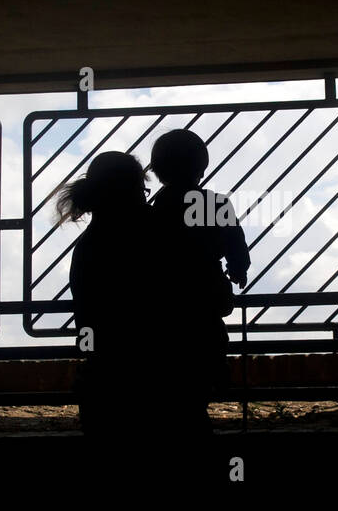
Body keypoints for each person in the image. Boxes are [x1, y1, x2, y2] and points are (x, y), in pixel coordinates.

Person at [147, 129, 252, 434]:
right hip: (207, 300)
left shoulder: (153, 211)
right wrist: (237, 270)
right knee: (205, 365)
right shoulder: (216, 205)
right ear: (201, 169)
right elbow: (236, 245)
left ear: (157, 170)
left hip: (165, 307)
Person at [58, 151, 156, 437]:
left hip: (105, 376)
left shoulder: (89, 247)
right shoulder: (157, 234)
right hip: (157, 375)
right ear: (132, 191)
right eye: (142, 188)